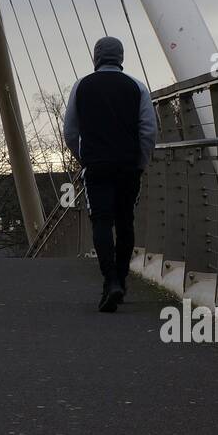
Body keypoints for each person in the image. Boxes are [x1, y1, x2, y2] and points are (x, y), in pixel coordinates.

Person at [63, 36, 157, 313]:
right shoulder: (137, 87)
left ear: (96, 58)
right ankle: (122, 279)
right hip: (128, 165)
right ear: (121, 58)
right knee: (125, 221)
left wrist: (85, 158)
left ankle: (110, 280)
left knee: (101, 221)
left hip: (97, 166)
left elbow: (70, 131)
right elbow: (148, 131)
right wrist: (140, 161)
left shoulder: (81, 86)